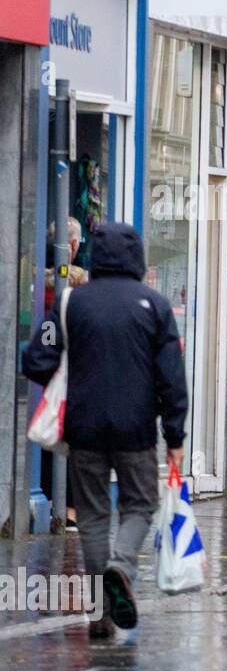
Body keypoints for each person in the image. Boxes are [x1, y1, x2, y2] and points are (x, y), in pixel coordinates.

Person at [21, 223, 188, 641]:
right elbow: (172, 378)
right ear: (137, 258)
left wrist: (66, 372)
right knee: (140, 504)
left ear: (94, 254)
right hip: (136, 429)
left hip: (85, 427)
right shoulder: (155, 305)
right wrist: (175, 437)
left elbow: (37, 358)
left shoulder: (69, 302)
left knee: (93, 516)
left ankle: (100, 615)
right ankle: (122, 565)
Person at [42, 218, 89, 531]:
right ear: (72, 246)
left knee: (48, 437)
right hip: (77, 374)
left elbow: (44, 334)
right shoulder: (83, 285)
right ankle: (71, 510)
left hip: (49, 375)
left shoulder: (35, 280)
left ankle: (51, 501)